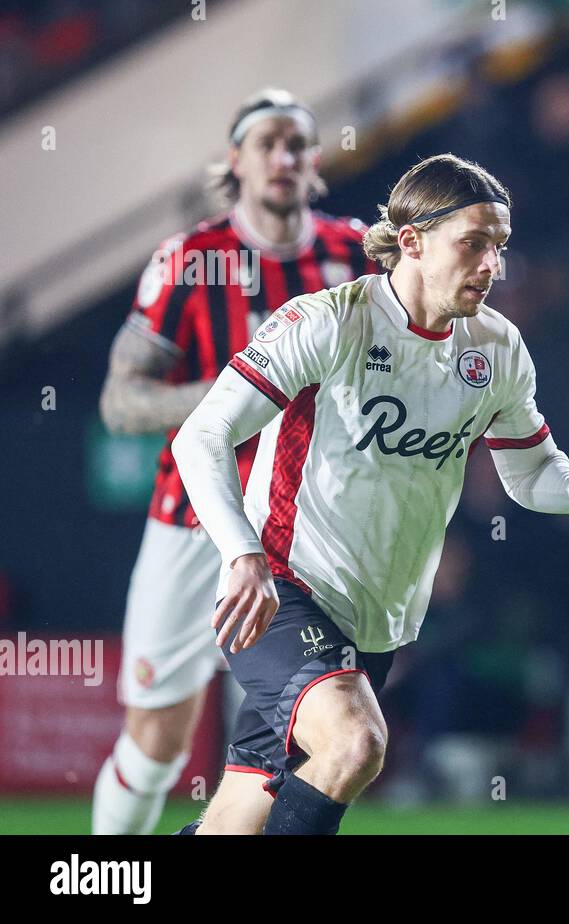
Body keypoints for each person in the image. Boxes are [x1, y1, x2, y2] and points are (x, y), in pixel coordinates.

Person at [169, 153, 569, 834]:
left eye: (500, 246)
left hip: (373, 619)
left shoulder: (496, 348)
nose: (493, 265)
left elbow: (530, 473)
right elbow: (201, 436)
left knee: (235, 825)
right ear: (412, 242)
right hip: (281, 590)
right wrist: (241, 555)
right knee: (356, 744)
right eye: (474, 244)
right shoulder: (330, 321)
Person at [93, 88, 378, 835]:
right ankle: (103, 877)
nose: (284, 158)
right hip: (193, 520)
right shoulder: (191, 258)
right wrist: (239, 394)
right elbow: (121, 401)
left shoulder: (357, 255)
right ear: (236, 161)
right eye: (268, 144)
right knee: (159, 740)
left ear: (315, 162)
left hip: (305, 528)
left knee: (285, 740)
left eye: (298, 144)